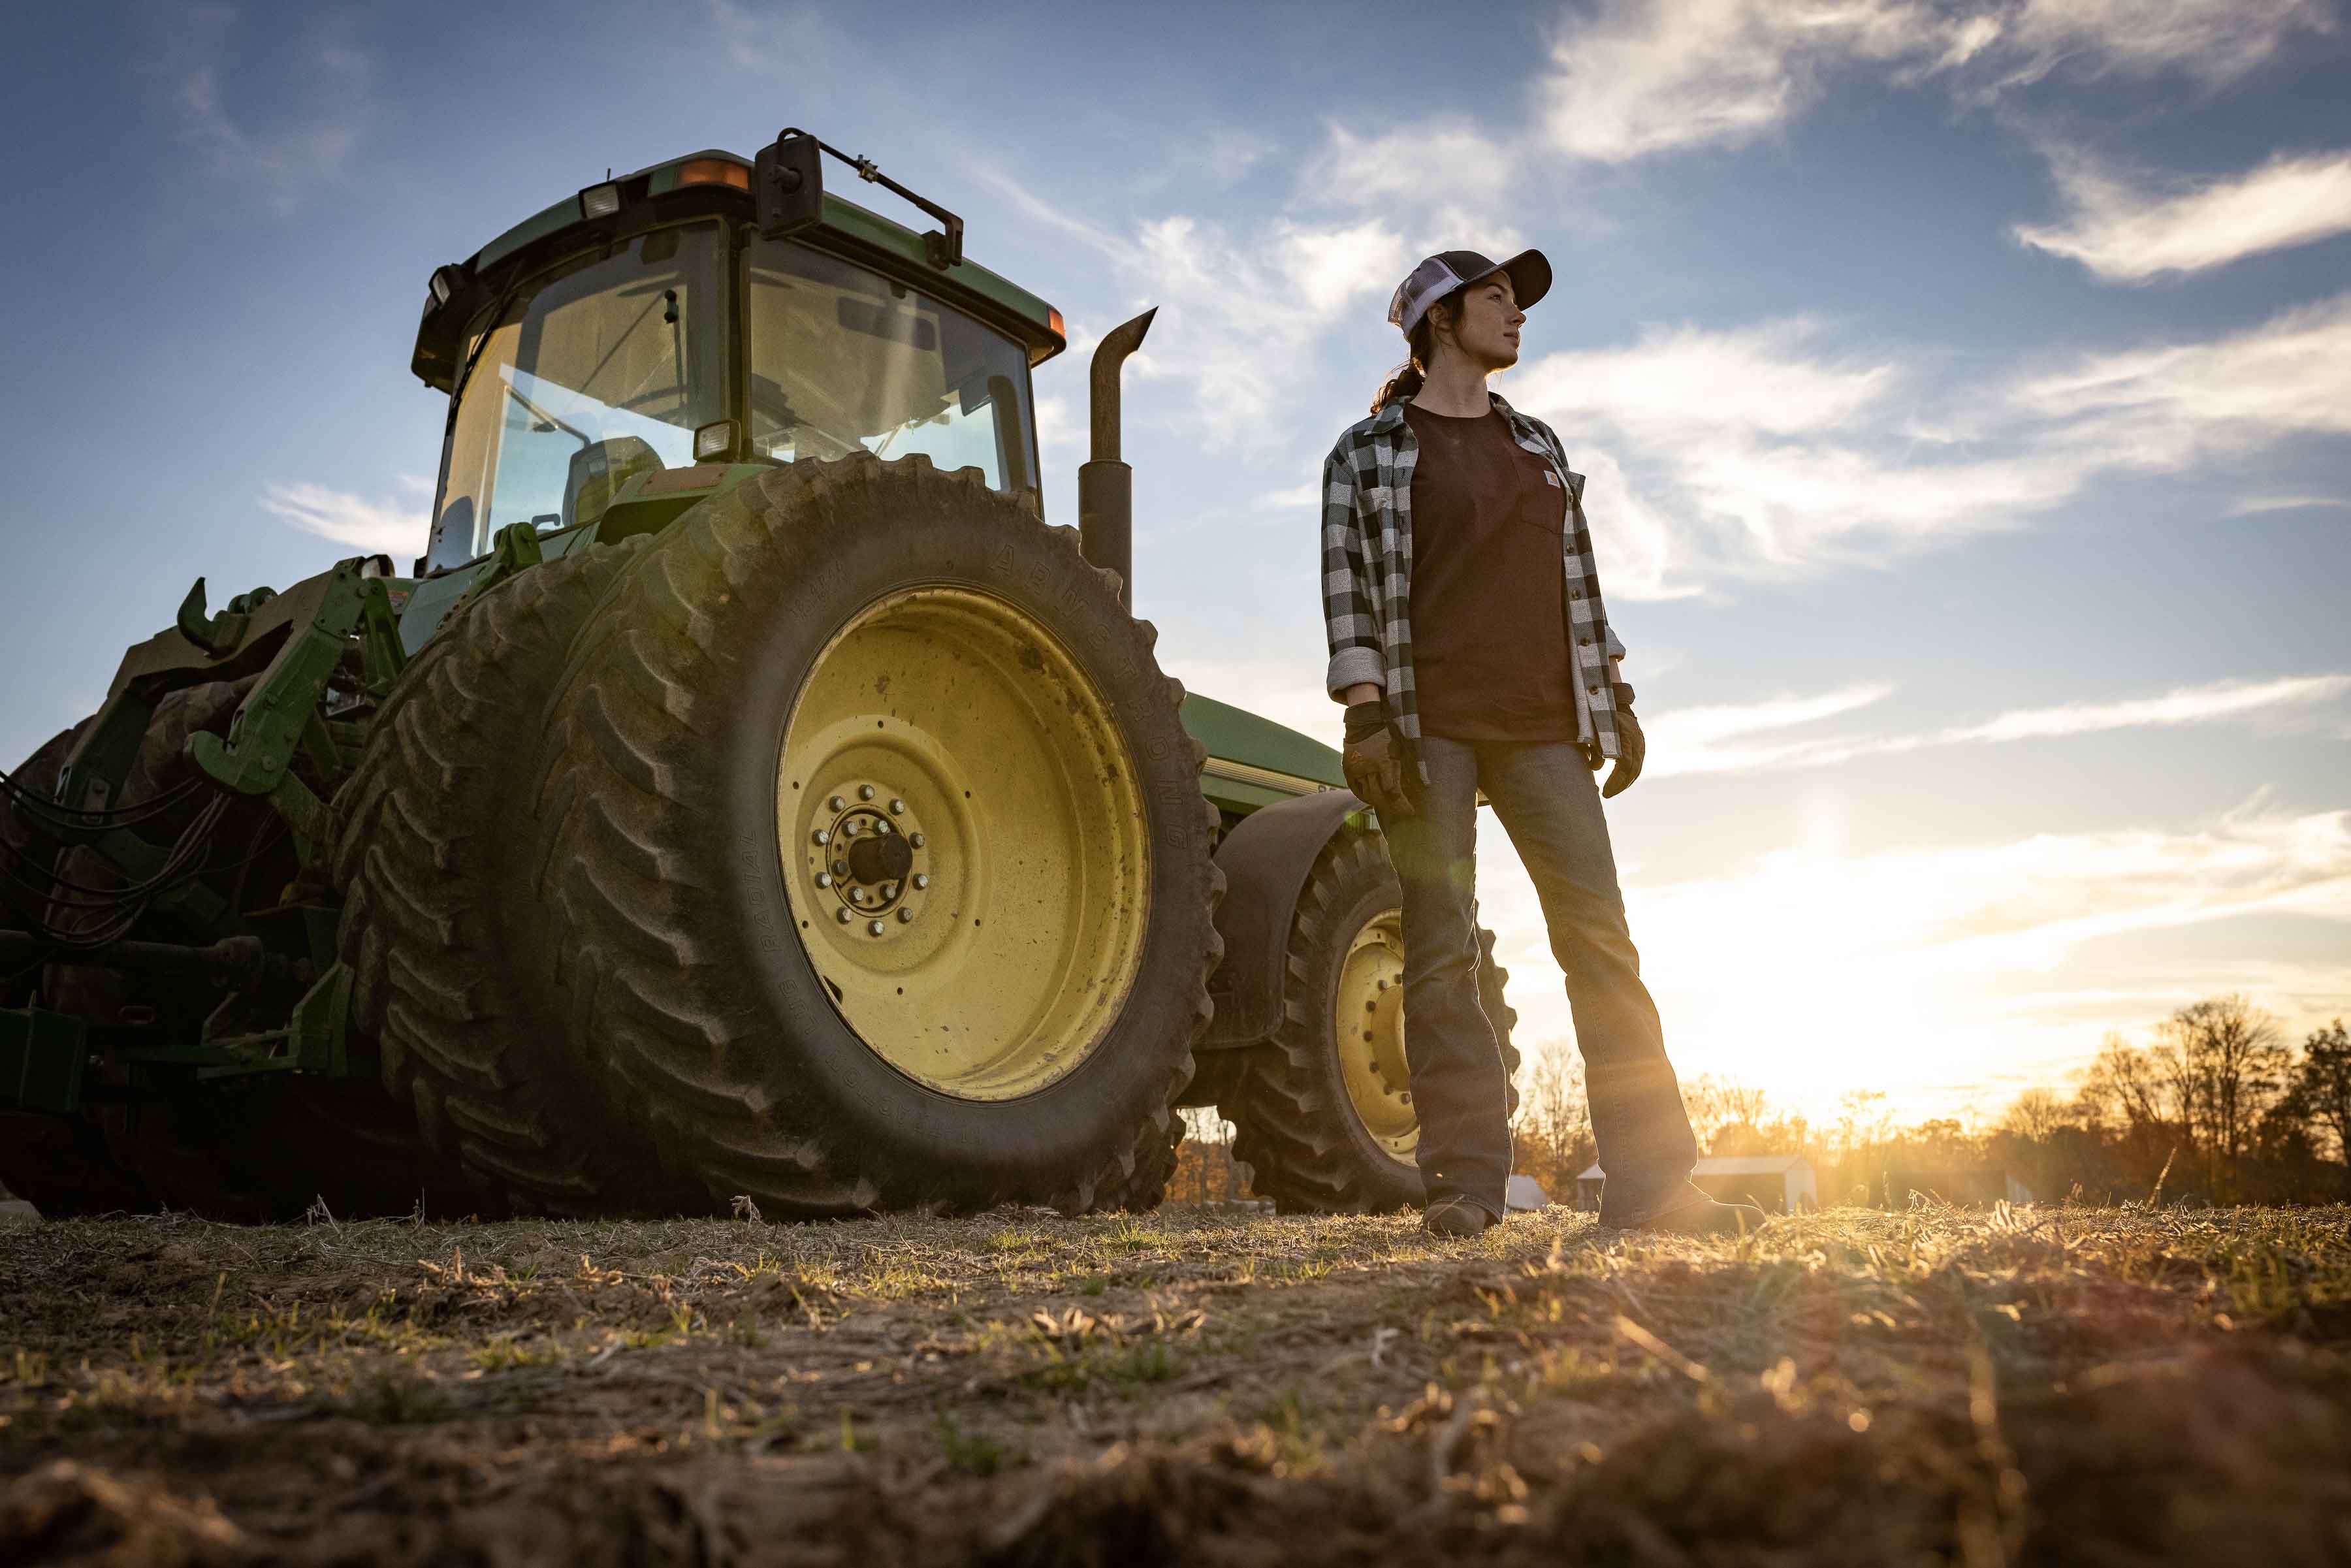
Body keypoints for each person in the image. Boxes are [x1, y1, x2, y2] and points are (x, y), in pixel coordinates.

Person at [1319, 249, 1764, 1239]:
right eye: (1496, 298)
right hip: (1428, 733)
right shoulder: (1368, 451)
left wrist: (1615, 691)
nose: (1516, 313)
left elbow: (1578, 590)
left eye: (1517, 301)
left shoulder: (1540, 448)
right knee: (1442, 951)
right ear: (1441, 320)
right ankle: (1467, 1186)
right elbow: (1347, 589)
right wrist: (1365, 714)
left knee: (1600, 940)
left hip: (1544, 730)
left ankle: (1654, 1184)